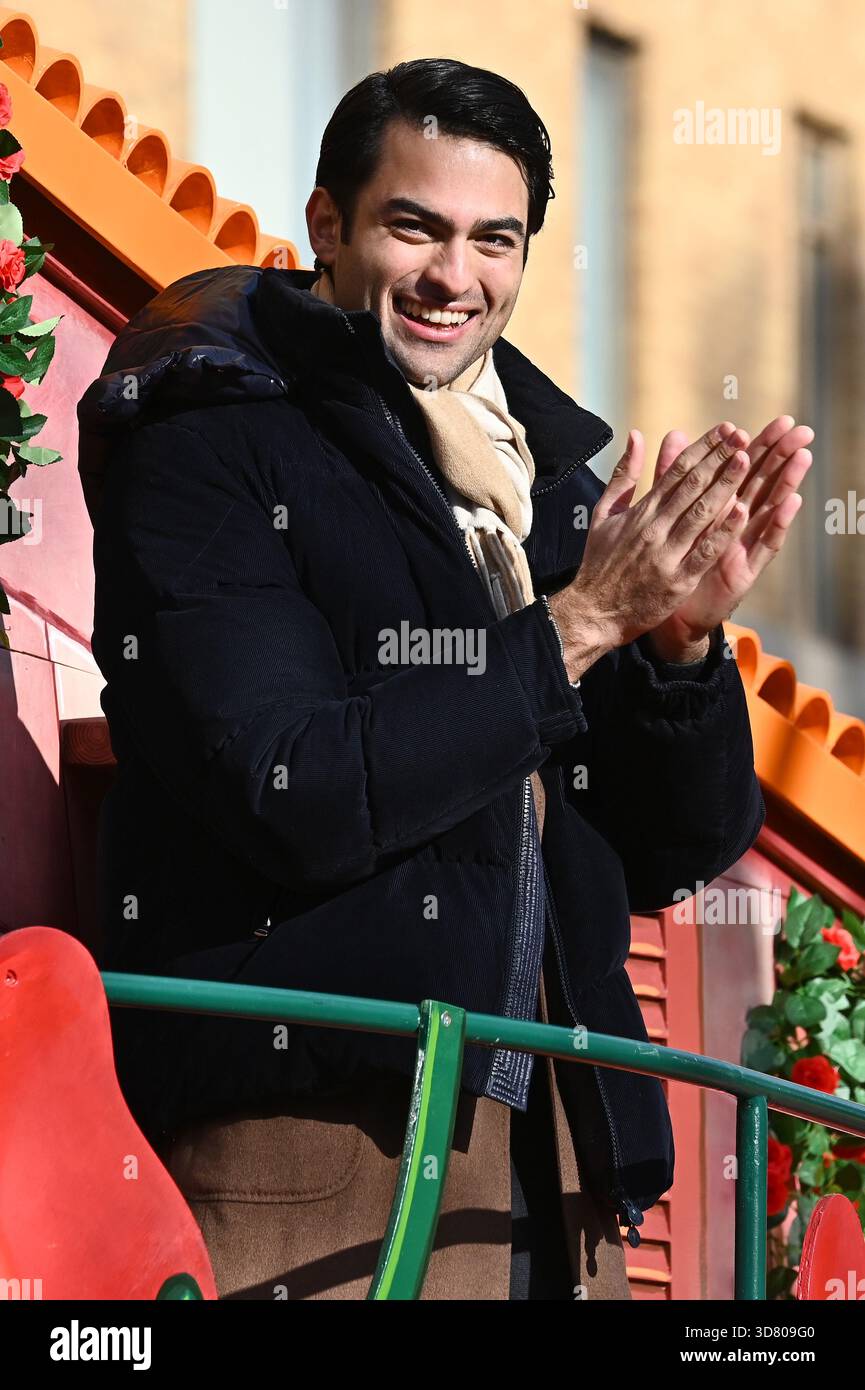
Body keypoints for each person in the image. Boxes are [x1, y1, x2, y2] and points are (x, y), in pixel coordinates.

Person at [76, 57, 813, 1300]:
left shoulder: (549, 475)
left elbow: (670, 846)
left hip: (556, 1158)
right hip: (320, 1146)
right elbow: (288, 784)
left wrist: (680, 652)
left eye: (495, 240)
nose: (452, 277)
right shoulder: (210, 428)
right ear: (325, 224)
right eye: (413, 225)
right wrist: (577, 627)